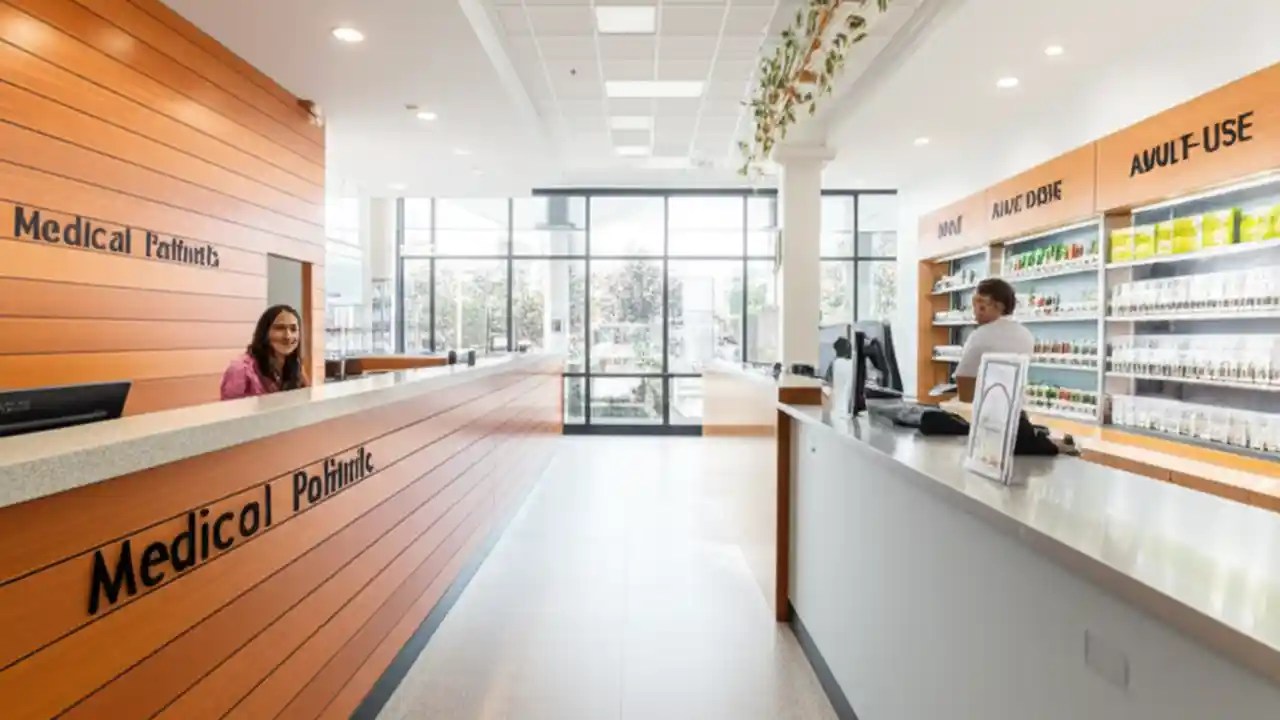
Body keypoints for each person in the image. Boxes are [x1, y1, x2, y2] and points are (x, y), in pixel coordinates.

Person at [954, 278, 1033, 403]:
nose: (976, 311)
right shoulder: (1026, 334)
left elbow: (964, 382)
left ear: (998, 306)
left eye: (980, 304)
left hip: (988, 412)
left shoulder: (981, 334)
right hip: (1017, 410)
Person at [220, 304, 309, 400]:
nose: (287, 336)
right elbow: (232, 411)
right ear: (264, 332)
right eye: (279, 328)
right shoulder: (240, 370)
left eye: (293, 329)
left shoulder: (296, 366)